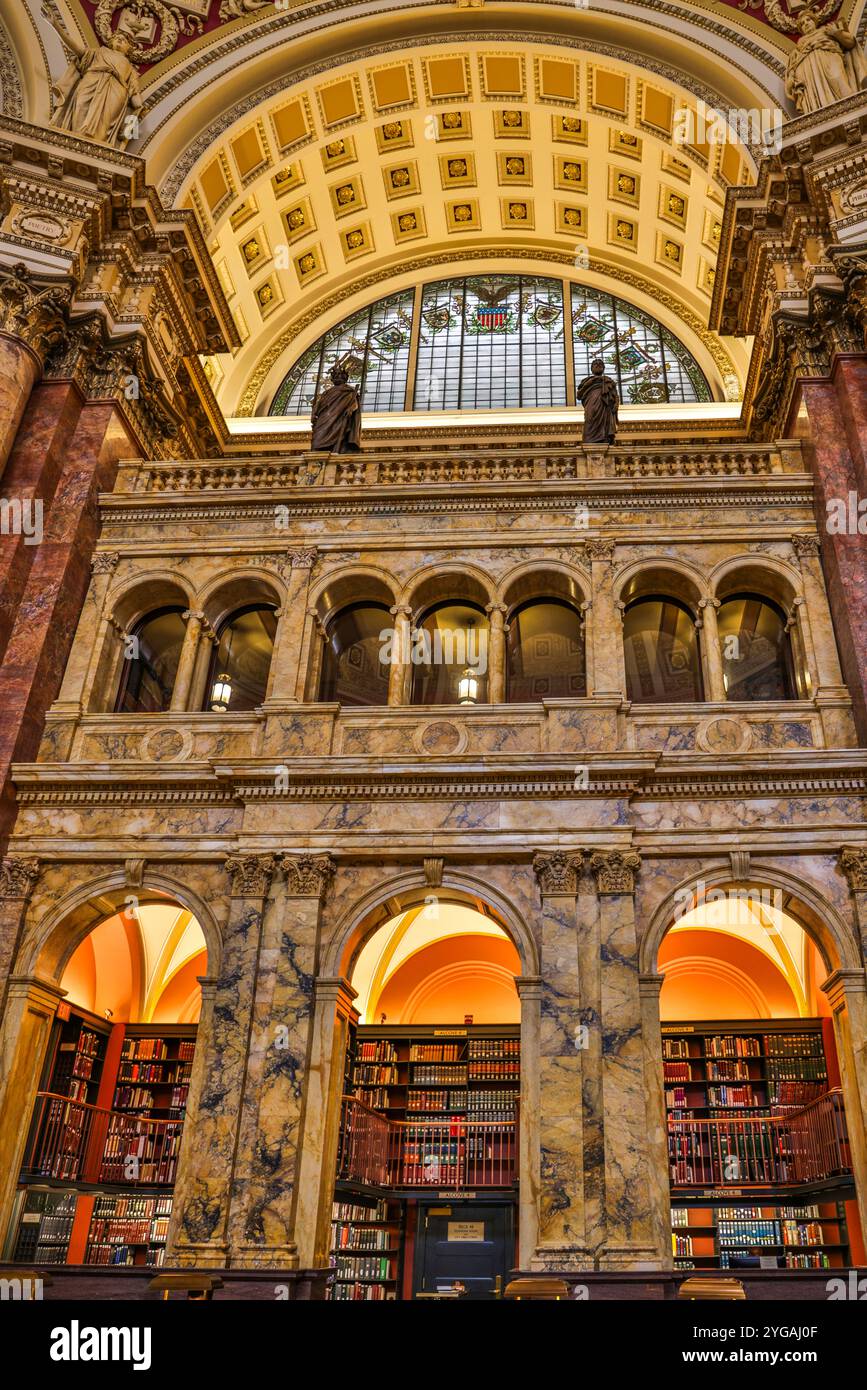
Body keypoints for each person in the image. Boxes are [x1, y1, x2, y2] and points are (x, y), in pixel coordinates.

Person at [43, 5, 142, 146]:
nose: (120, 40)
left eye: (124, 40)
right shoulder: (98, 52)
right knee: (81, 109)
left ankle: (97, 146)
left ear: (129, 49)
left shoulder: (130, 68)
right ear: (110, 41)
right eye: (117, 38)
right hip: (90, 83)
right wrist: (56, 26)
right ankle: (74, 141)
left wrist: (138, 107)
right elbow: (76, 48)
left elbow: (134, 91)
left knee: (104, 122)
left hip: (115, 91)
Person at [785, 14, 867, 115]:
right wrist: (791, 76)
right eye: (802, 23)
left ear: (814, 21)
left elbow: (850, 43)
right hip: (809, 73)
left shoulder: (827, 30)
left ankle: (851, 107)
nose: (806, 24)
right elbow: (794, 64)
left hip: (830, 60)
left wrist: (837, 33)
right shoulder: (799, 45)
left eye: (808, 20)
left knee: (837, 77)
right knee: (814, 94)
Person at [310, 362, 362, 453]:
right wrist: (314, 413)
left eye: (339, 374)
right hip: (324, 417)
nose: (337, 377)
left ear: (344, 378)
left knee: (339, 437)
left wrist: (351, 409)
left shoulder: (349, 391)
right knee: (317, 438)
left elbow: (354, 404)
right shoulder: (327, 392)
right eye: (335, 375)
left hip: (339, 417)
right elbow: (318, 404)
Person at [576, 358, 619, 444]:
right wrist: (589, 383)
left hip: (605, 405)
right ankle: (590, 439)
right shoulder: (586, 381)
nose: (598, 365)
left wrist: (616, 405)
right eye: (595, 364)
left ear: (603, 368)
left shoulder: (608, 381)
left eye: (600, 364)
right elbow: (579, 395)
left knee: (604, 422)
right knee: (590, 419)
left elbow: (615, 395)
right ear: (591, 369)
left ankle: (604, 438)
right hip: (591, 404)